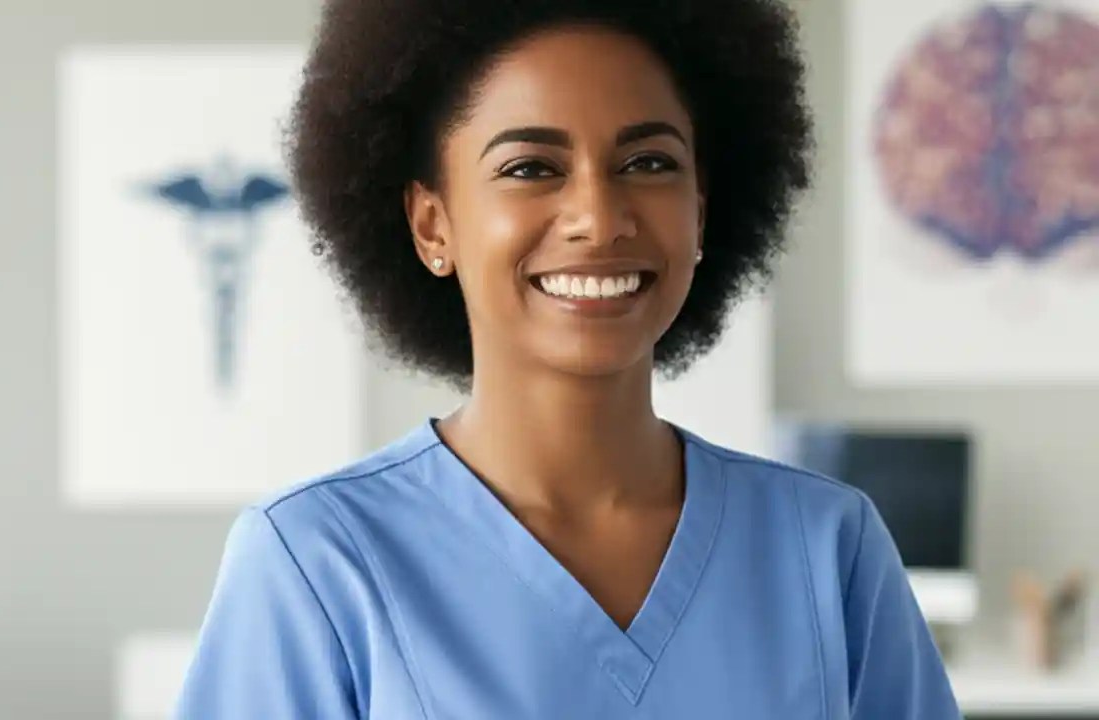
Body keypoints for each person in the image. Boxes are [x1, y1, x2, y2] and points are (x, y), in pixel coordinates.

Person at [176, 0, 962, 717]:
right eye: (531, 169)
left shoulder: (827, 549)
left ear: (701, 211)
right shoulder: (316, 560)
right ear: (432, 225)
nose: (598, 215)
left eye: (649, 163)